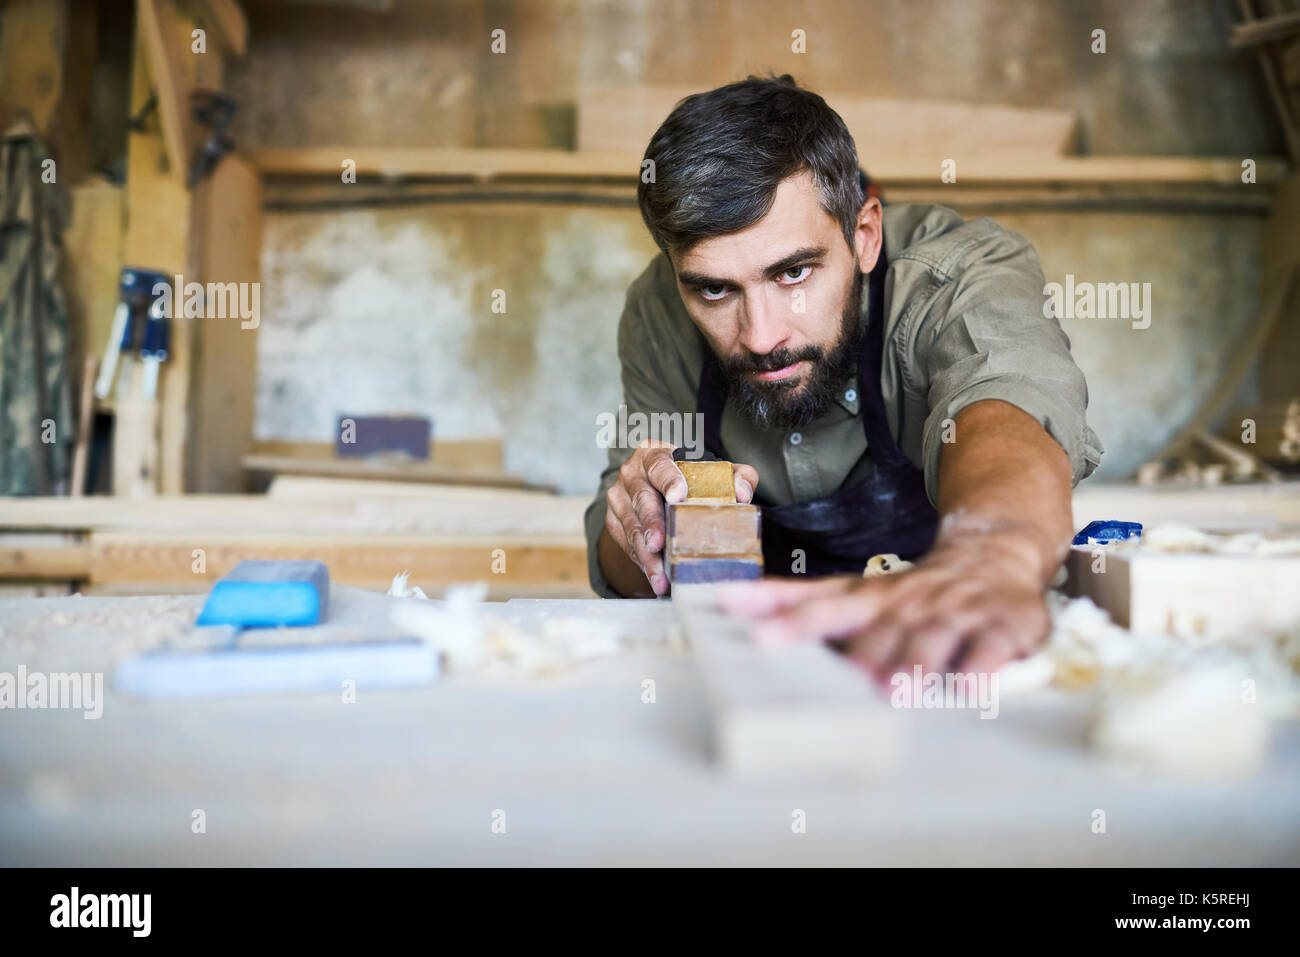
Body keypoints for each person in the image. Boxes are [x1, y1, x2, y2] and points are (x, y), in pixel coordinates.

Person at [583, 75, 1103, 680]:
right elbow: (626, 575)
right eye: (716, 289)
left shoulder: (957, 274)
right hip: (765, 659)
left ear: (864, 236)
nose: (761, 336)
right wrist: (638, 532)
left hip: (951, 656)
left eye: (794, 273)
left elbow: (1006, 408)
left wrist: (989, 557)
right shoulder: (656, 311)